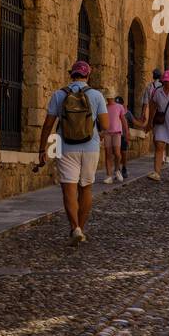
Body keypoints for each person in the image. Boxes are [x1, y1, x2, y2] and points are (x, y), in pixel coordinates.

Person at [38, 60, 108, 245]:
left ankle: (74, 227)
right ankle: (81, 230)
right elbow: (106, 125)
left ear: (71, 74)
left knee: (68, 188)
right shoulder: (96, 95)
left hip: (65, 146)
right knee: (85, 188)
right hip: (90, 146)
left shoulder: (59, 95)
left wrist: (42, 148)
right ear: (88, 75)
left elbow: (48, 124)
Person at [102, 91, 128, 184]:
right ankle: (109, 175)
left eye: (110, 97)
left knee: (117, 153)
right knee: (108, 154)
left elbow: (123, 120)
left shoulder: (119, 107)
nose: (109, 99)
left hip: (117, 133)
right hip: (107, 133)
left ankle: (117, 170)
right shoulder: (104, 107)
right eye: (108, 98)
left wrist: (126, 132)